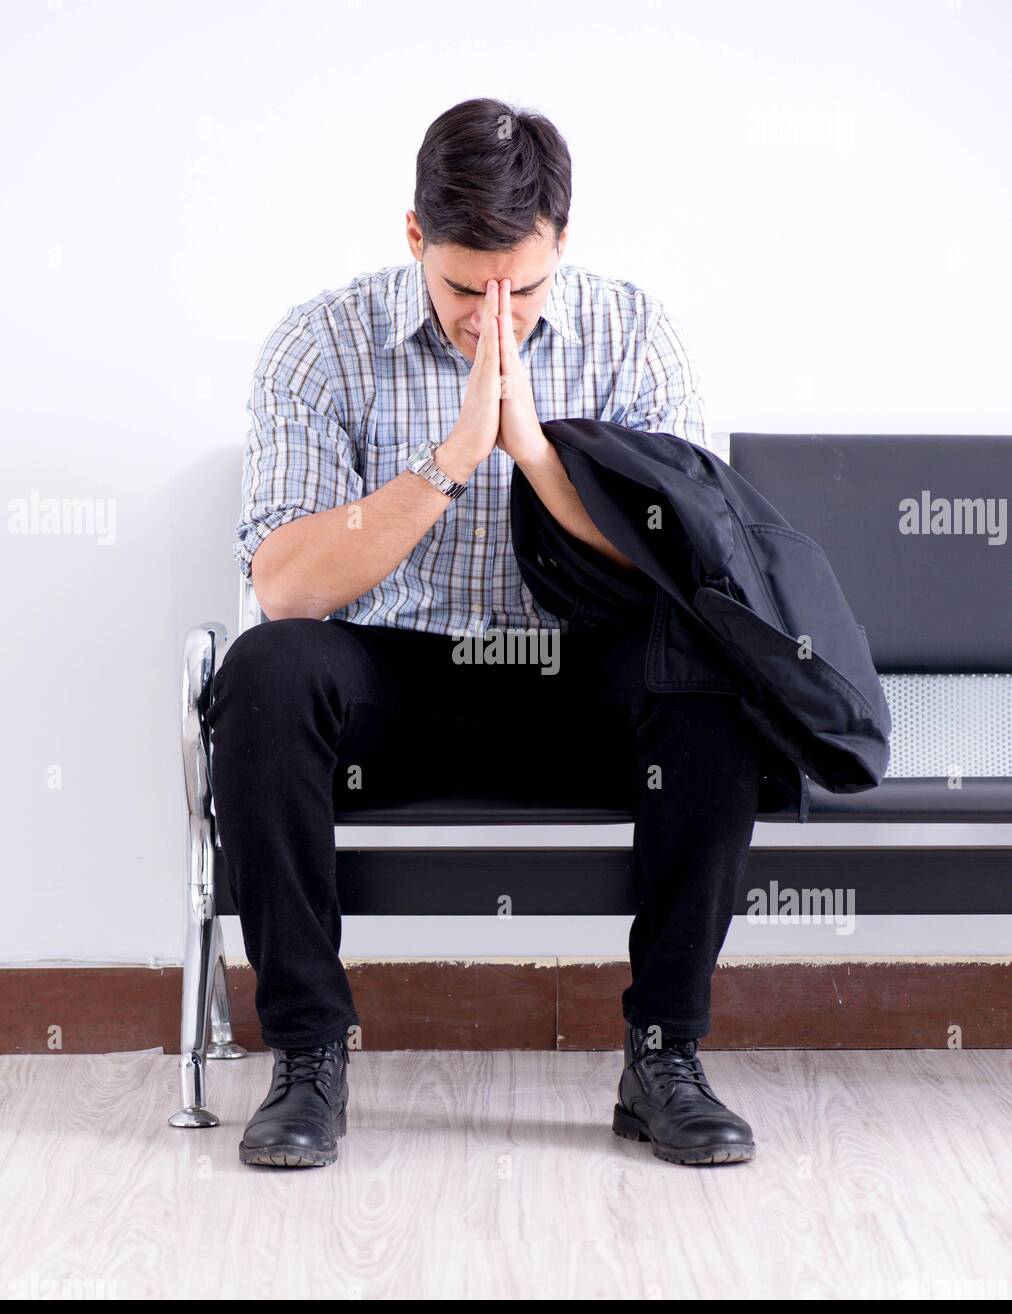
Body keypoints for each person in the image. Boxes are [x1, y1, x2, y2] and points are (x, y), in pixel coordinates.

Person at [207, 97, 765, 1170]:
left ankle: (663, 1055)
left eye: (526, 285)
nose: (493, 318)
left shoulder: (631, 333)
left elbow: (696, 570)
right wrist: (453, 459)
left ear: (564, 243)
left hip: (577, 677)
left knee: (707, 674)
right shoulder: (319, 343)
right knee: (267, 669)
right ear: (414, 236)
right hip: (393, 680)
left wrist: (538, 459)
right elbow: (283, 582)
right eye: (465, 288)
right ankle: (310, 1055)